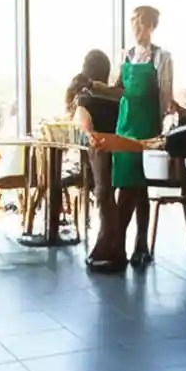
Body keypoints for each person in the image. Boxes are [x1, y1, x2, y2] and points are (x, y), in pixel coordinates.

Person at [96, 6, 176, 268]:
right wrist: (100, 90)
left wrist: (164, 128)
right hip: (124, 126)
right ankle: (127, 244)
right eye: (134, 23)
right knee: (129, 185)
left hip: (146, 129)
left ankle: (134, 244)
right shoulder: (125, 56)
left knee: (139, 187)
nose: (137, 28)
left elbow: (165, 95)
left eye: (142, 24)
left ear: (152, 26)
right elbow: (119, 90)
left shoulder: (161, 57)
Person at [65, 50, 125, 272]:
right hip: (120, 146)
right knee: (112, 197)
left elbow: (85, 125)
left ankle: (104, 248)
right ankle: (116, 248)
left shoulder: (85, 96)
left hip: (98, 149)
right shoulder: (116, 96)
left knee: (103, 195)